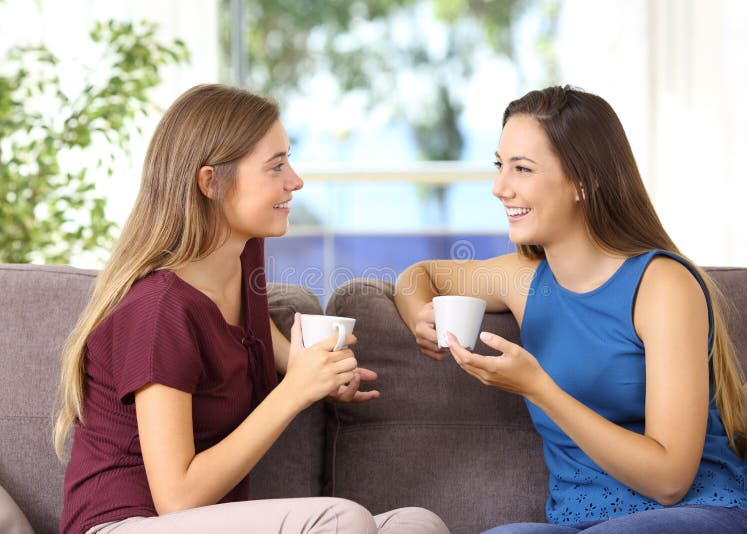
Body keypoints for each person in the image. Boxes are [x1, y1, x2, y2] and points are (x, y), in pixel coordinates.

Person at [53, 84, 450, 534]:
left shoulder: (243, 259)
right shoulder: (158, 309)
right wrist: (293, 391)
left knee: (417, 525)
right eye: (276, 166)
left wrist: (313, 369)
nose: (295, 181)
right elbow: (177, 498)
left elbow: (255, 339)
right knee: (343, 520)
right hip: (126, 525)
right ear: (210, 183)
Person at [393, 86, 747, 534]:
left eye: (522, 169)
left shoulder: (662, 285)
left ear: (583, 181)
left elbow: (670, 481)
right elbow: (417, 276)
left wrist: (539, 388)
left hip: (695, 513)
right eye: (500, 165)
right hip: (580, 525)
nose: (499, 188)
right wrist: (420, 317)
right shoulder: (524, 279)